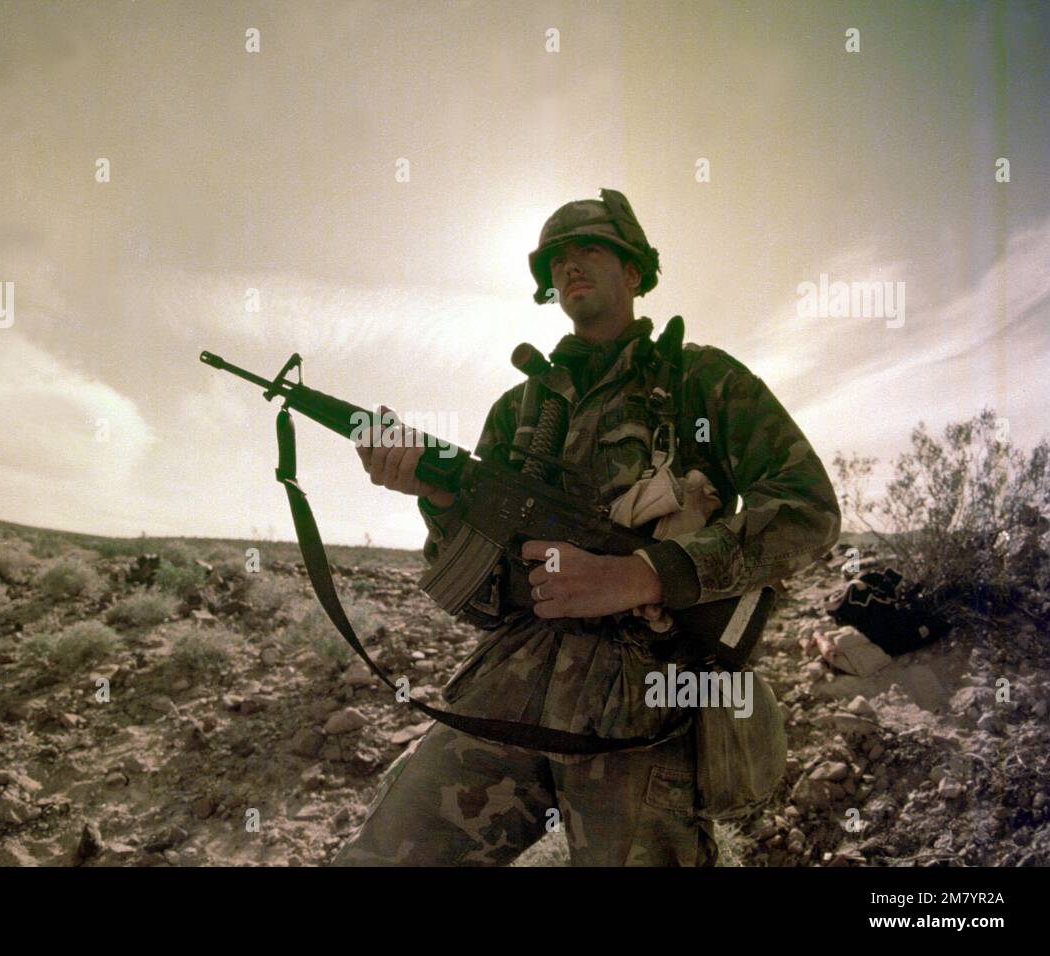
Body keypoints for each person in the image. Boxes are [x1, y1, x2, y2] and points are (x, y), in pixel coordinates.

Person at [333, 188, 841, 866]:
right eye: (557, 259)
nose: (570, 267)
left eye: (590, 251)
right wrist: (437, 497)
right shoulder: (519, 408)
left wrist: (642, 574)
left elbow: (808, 508)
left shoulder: (702, 382)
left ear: (634, 270)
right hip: (508, 689)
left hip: (646, 702)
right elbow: (477, 594)